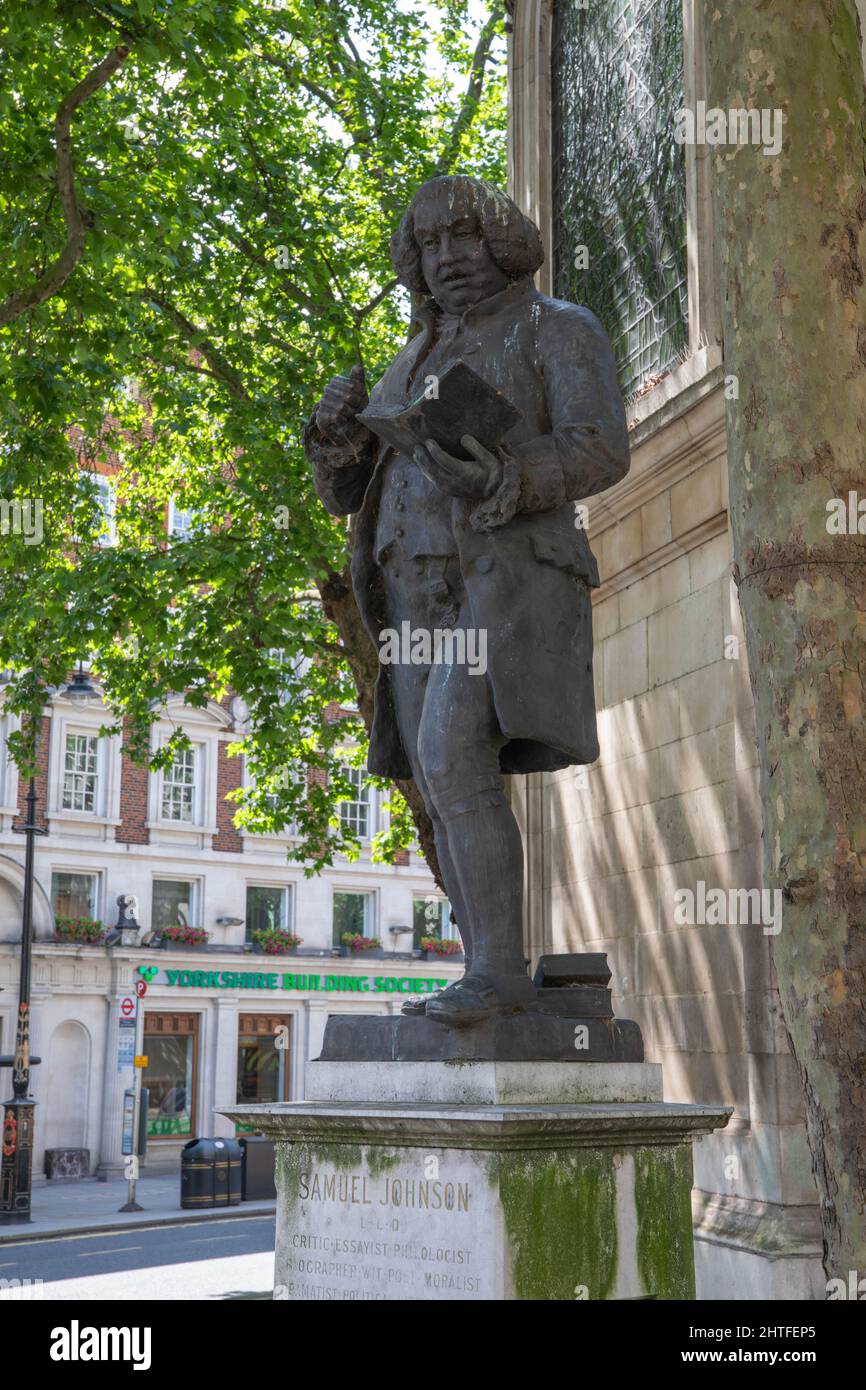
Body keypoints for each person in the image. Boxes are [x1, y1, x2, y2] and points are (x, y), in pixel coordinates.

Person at [305, 175, 629, 1026]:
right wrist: (334, 436)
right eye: (431, 245)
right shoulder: (407, 359)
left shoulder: (557, 327)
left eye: (463, 237)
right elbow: (351, 495)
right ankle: (484, 969)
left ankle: (499, 974)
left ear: (502, 240)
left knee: (452, 754)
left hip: (501, 584)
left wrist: (514, 473)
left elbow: (600, 448)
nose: (448, 258)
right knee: (438, 775)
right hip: (409, 598)